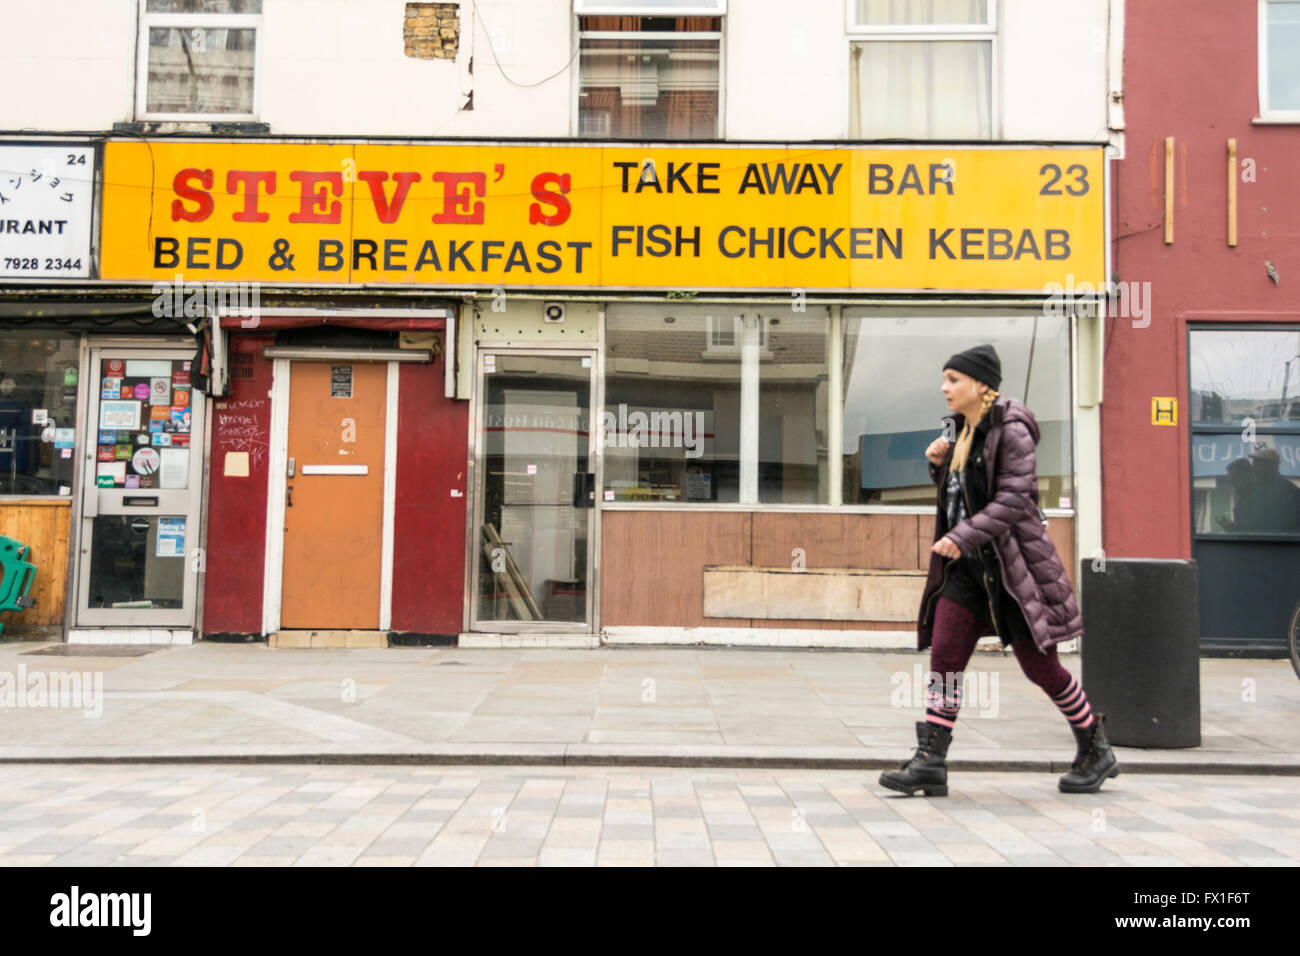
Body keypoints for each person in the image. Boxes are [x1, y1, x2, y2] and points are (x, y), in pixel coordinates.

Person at [879, 344, 1118, 797]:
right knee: (945, 661)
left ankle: (1094, 746)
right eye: (944, 379)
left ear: (981, 385)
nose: (944, 388)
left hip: (1013, 573)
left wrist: (962, 536)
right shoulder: (965, 431)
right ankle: (931, 760)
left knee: (1041, 669)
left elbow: (1012, 500)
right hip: (967, 576)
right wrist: (938, 467)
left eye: (953, 380)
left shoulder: (1013, 429)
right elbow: (965, 493)